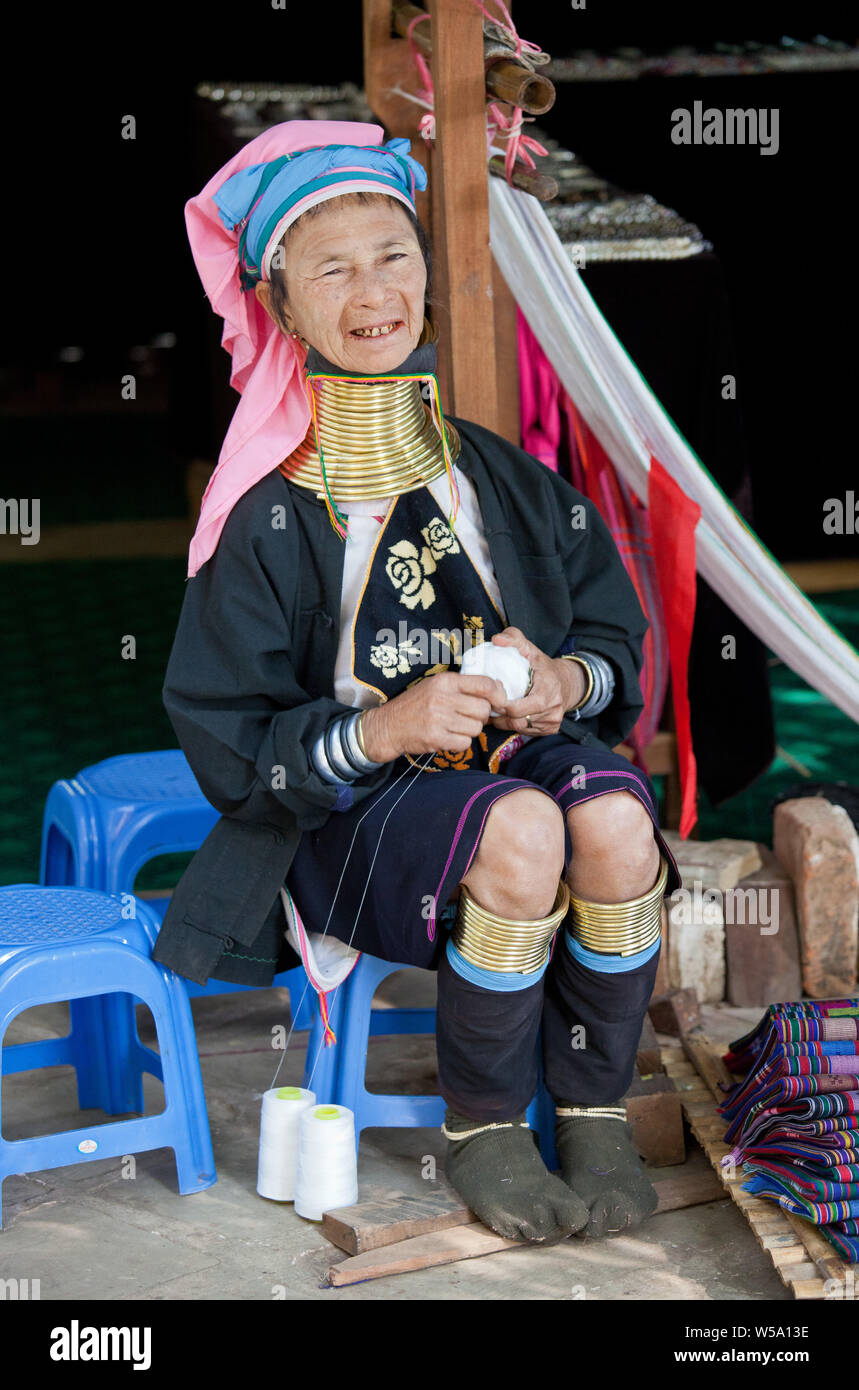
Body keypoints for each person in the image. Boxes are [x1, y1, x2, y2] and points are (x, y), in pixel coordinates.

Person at [153, 120, 682, 1246]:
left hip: (500, 759)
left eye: (392, 255)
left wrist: (564, 678)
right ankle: (487, 1126)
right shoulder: (267, 512)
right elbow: (227, 735)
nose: (371, 291)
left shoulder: (496, 471)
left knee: (617, 817)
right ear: (283, 307)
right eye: (330, 269)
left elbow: (609, 627)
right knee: (528, 825)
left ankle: (590, 1105)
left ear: (428, 274)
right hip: (342, 806)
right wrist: (382, 728)